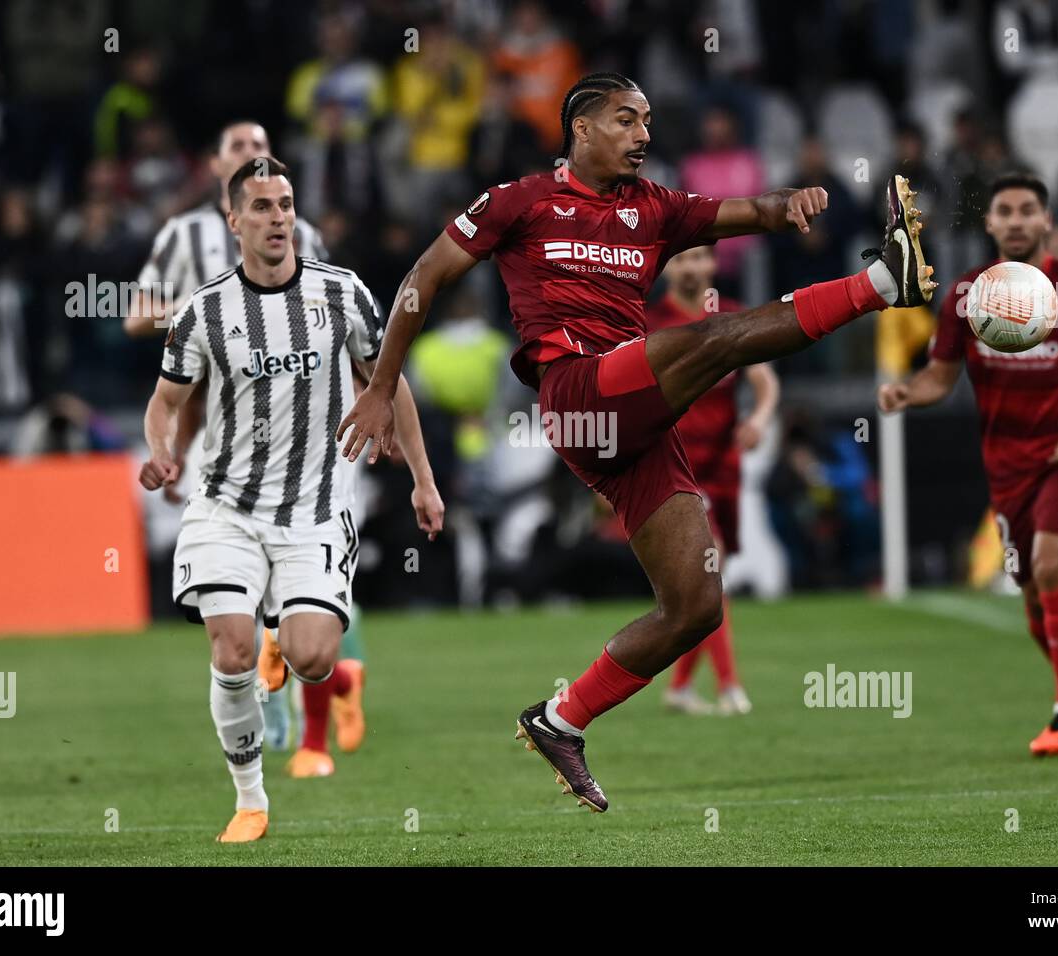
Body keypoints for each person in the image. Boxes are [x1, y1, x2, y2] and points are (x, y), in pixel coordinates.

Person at [337, 72, 935, 811]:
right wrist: (379, 388)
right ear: (581, 128)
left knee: (695, 606)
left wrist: (796, 204)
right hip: (578, 391)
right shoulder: (518, 201)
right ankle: (882, 282)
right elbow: (421, 281)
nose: (644, 135)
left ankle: (560, 718)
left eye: (648, 120)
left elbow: (750, 211)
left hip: (637, 420)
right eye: (626, 120)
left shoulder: (654, 208)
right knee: (714, 336)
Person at [139, 157, 443, 841]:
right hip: (226, 507)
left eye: (285, 205)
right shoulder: (204, 311)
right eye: (262, 207)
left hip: (314, 509)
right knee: (232, 649)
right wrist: (162, 451)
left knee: (311, 658)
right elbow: (164, 403)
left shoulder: (344, 296)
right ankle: (251, 801)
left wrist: (423, 479)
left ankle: (297, 646)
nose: (278, 218)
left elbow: (388, 383)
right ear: (235, 221)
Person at [879, 173, 1058, 758]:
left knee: (1053, 567)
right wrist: (907, 393)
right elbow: (940, 377)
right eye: (1006, 210)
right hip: (1007, 468)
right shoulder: (966, 296)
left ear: (1047, 221)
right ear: (990, 223)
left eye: (1029, 210)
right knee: (1032, 601)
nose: (1018, 220)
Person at [645, 246, 778, 716]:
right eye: (680, 259)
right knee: (709, 568)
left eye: (698, 257)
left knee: (699, 583)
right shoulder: (648, 321)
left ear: (713, 265)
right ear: (667, 269)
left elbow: (763, 379)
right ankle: (729, 687)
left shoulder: (732, 316)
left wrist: (759, 418)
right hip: (672, 465)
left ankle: (680, 688)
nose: (690, 267)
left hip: (722, 463)